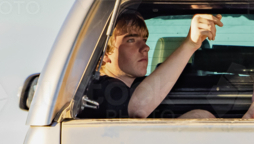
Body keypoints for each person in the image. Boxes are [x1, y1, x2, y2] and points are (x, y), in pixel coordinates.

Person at [78, 12, 220, 119]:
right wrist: (190, 44)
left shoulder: (143, 88)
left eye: (144, 39)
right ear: (104, 54)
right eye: (131, 40)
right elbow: (138, 107)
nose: (145, 47)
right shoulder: (96, 90)